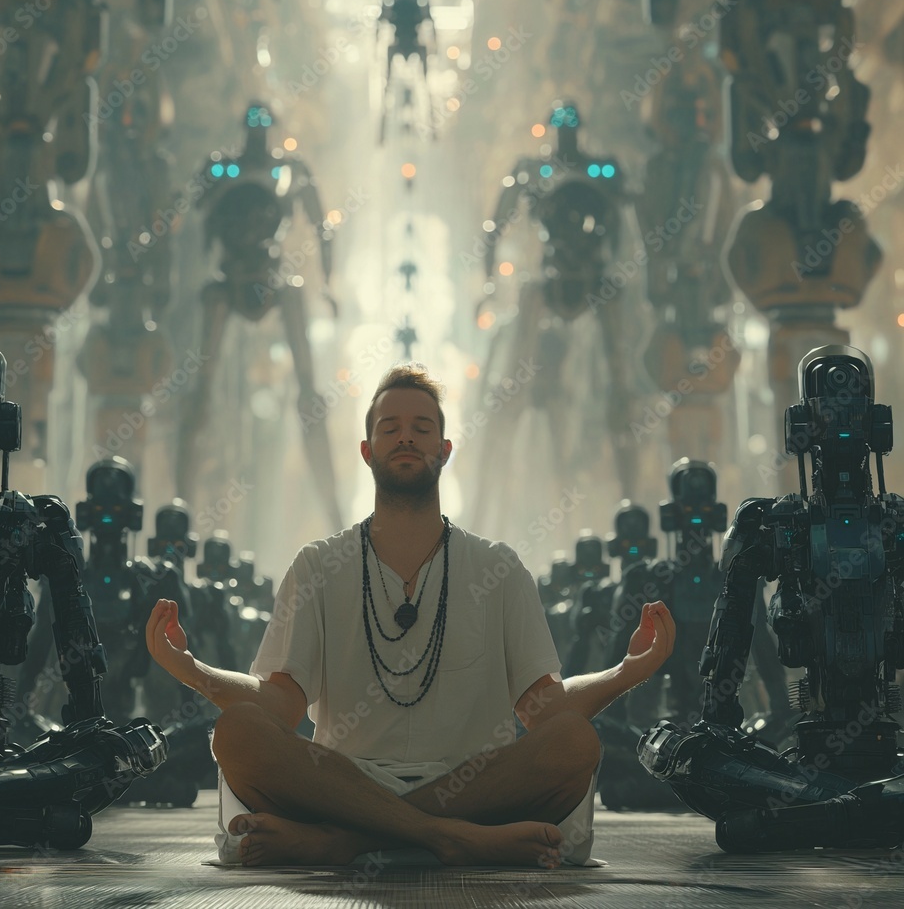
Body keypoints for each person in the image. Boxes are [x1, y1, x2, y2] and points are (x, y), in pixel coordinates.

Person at [147, 364, 676, 868]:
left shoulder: (497, 565)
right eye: (390, 428)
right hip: (341, 782)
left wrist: (628, 670)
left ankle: (344, 841)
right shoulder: (317, 564)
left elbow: (543, 709)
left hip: (474, 784)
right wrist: (189, 667)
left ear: (444, 450)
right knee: (237, 731)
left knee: (574, 741)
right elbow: (281, 706)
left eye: (422, 429)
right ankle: (452, 839)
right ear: (366, 450)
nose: (406, 438)